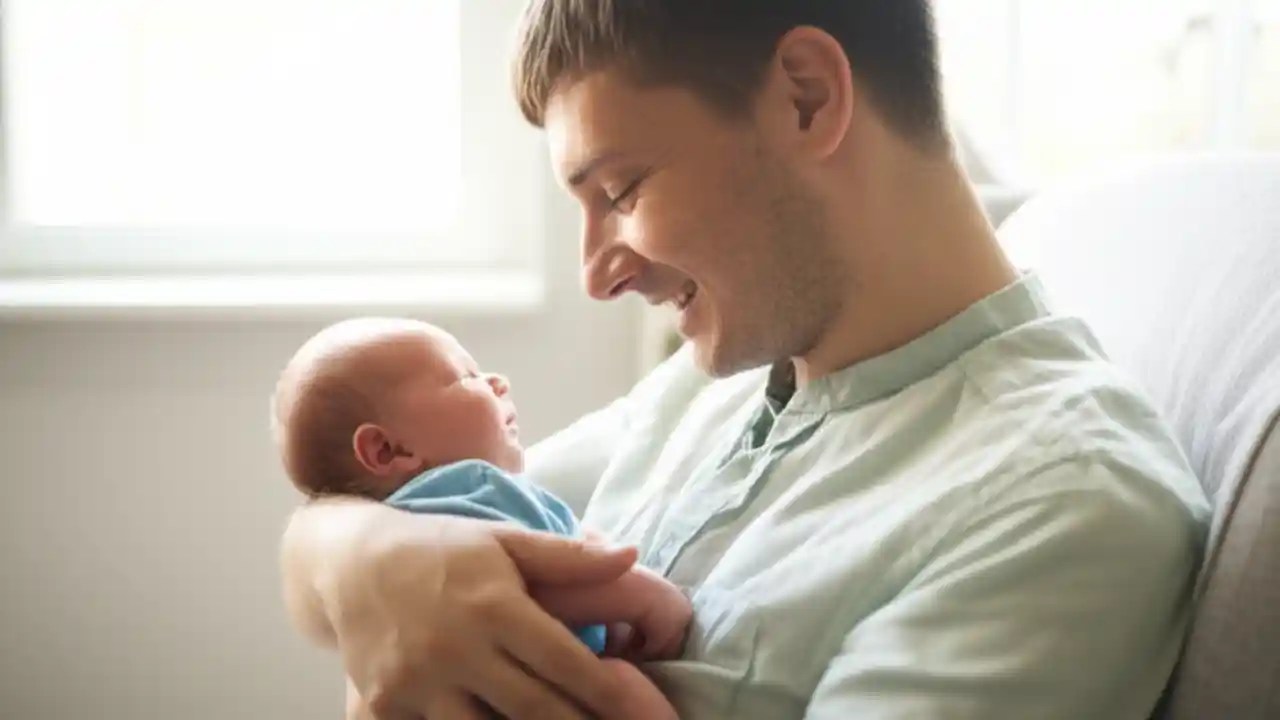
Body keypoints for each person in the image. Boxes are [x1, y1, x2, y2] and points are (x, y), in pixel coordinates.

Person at [280, 1, 1211, 717]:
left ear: (807, 98)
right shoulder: (709, 390)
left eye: (622, 188)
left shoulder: (1059, 503)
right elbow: (350, 536)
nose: (599, 275)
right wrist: (366, 558)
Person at [272, 318, 688, 719]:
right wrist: (643, 597)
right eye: (465, 377)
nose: (498, 381)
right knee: (626, 689)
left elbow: (560, 539)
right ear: (388, 451)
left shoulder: (458, 500)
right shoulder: (458, 494)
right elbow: (520, 589)